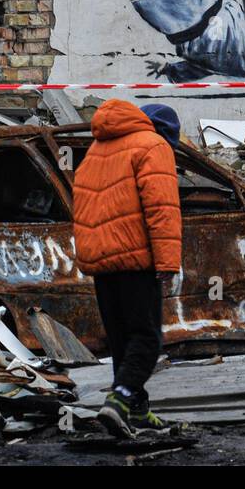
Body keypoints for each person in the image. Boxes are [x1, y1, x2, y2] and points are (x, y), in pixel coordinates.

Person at [73, 99, 183, 436]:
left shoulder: (98, 148)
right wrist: (167, 262)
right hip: (136, 259)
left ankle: (135, 412)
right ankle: (118, 400)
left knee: (122, 340)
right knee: (147, 339)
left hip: (103, 263)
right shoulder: (153, 146)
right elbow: (161, 207)